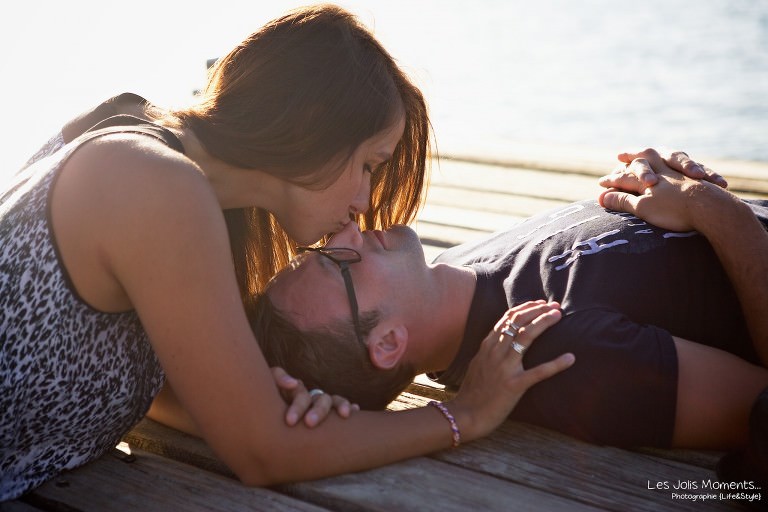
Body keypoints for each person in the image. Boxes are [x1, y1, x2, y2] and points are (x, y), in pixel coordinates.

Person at [0, 5, 578, 500]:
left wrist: (247, 397)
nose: (365, 203)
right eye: (369, 166)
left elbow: (113, 386)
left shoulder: (140, 140)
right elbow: (263, 454)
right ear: (310, 128)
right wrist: (463, 415)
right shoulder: (158, 186)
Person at [252, 150, 768, 457]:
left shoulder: (459, 264)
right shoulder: (556, 355)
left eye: (320, 248)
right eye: (337, 261)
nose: (346, 228)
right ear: (388, 341)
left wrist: (653, 181)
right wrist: (714, 209)